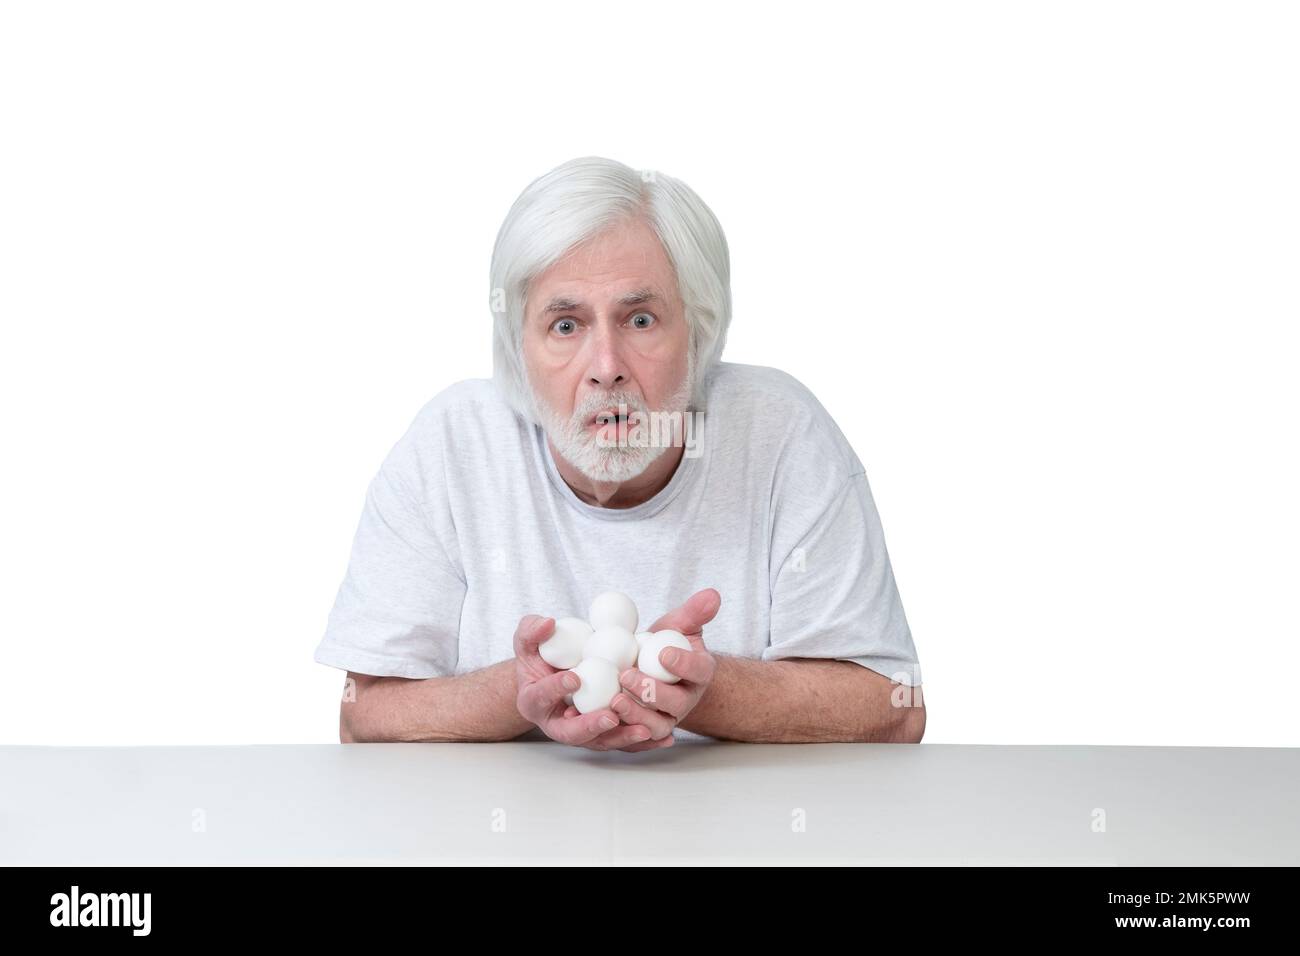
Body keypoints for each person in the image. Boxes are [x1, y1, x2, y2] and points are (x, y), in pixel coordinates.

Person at [313, 156, 925, 750]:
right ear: (517, 350)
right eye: (565, 325)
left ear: (699, 331)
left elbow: (893, 707)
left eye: (639, 320)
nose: (606, 369)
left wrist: (699, 687)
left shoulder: (783, 433)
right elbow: (363, 712)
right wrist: (531, 687)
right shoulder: (450, 444)